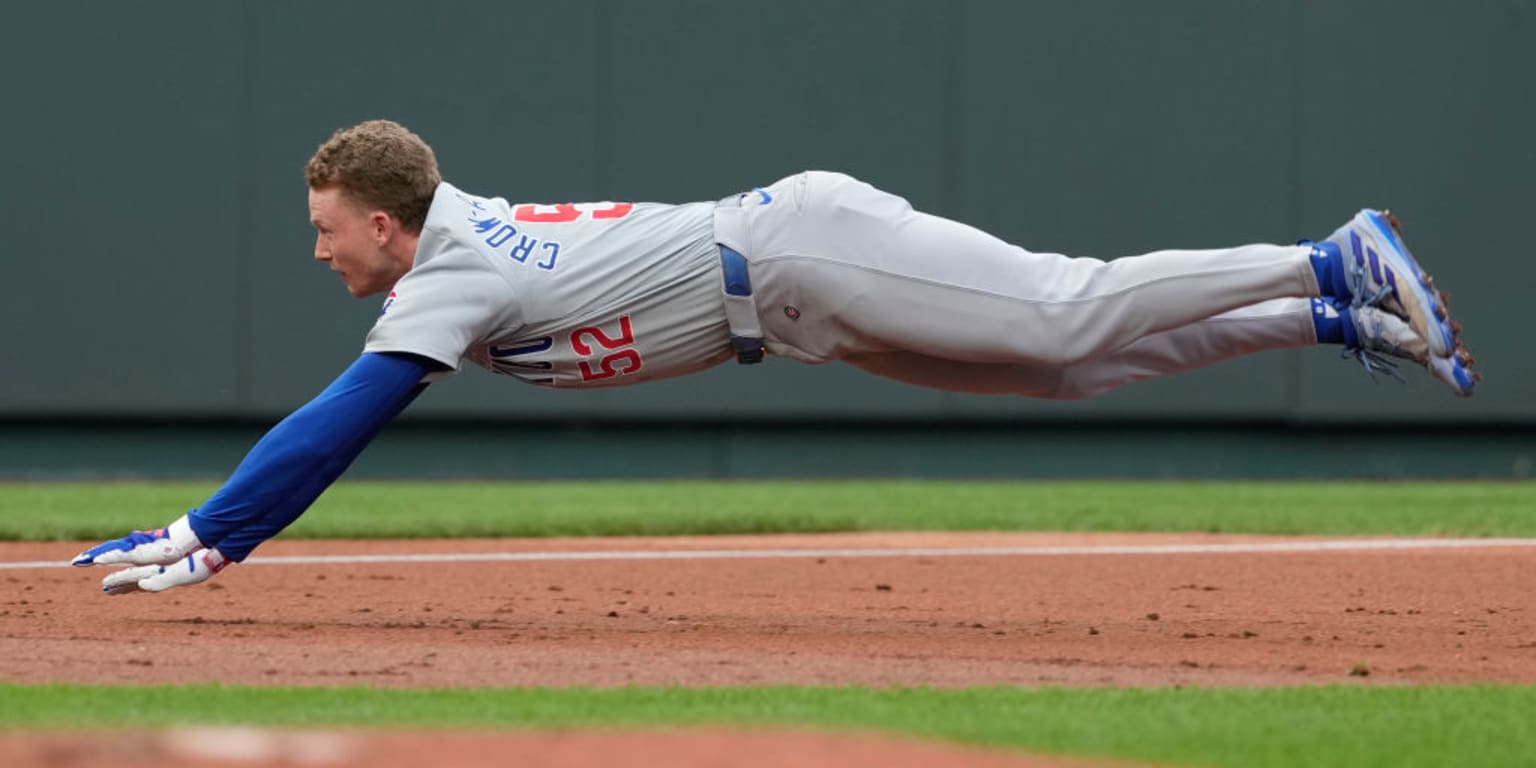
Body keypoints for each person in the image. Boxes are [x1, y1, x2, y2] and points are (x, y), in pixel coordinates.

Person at [71, 119, 1478, 594]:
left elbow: (341, 421)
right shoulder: (450, 247)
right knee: (1072, 369)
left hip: (799, 253)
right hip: (801, 308)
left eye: (327, 229)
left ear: (385, 222)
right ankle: (1335, 316)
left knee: (1065, 312)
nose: (319, 250)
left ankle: (1324, 257)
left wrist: (210, 534)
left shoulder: (451, 271)